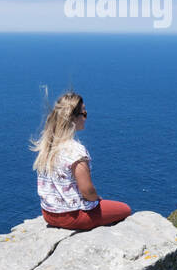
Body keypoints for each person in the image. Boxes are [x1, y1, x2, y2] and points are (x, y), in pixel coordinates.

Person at [31, 92, 131, 231]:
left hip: (49, 214)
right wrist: (97, 199)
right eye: (84, 114)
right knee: (125, 209)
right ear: (73, 118)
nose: (86, 118)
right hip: (75, 216)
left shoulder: (48, 145)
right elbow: (87, 190)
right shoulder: (75, 151)